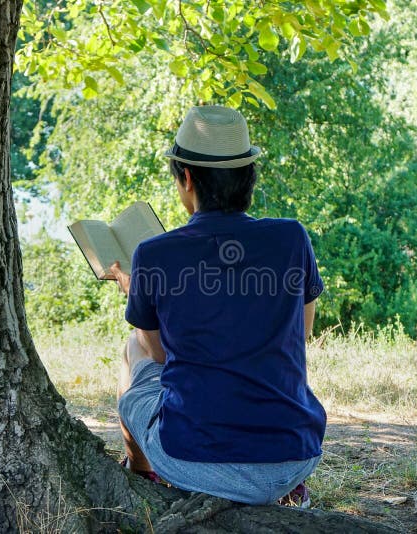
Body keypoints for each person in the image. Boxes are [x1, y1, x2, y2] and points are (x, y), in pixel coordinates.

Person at [110, 105, 326, 507]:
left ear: (186, 177)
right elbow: (302, 330)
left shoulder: (154, 253)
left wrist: (136, 286)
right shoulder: (291, 238)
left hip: (191, 459)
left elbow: (159, 355)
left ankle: (143, 474)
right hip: (293, 456)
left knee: (132, 348)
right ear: (249, 177)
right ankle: (278, 491)